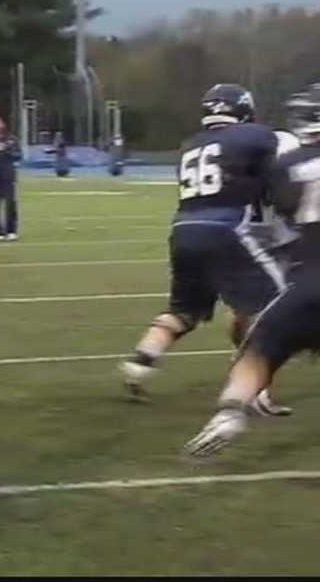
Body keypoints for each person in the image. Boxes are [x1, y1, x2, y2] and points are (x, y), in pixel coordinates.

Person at [120, 84, 291, 416]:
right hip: (227, 229)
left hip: (182, 229)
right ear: (242, 110)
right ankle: (256, 388)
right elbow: (281, 170)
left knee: (184, 310)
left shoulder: (190, 144)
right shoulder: (255, 136)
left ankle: (141, 361)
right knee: (277, 307)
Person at [185, 82, 320, 457]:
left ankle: (231, 413)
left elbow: (281, 217)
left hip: (311, 281)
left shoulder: (288, 166)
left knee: (258, 349)